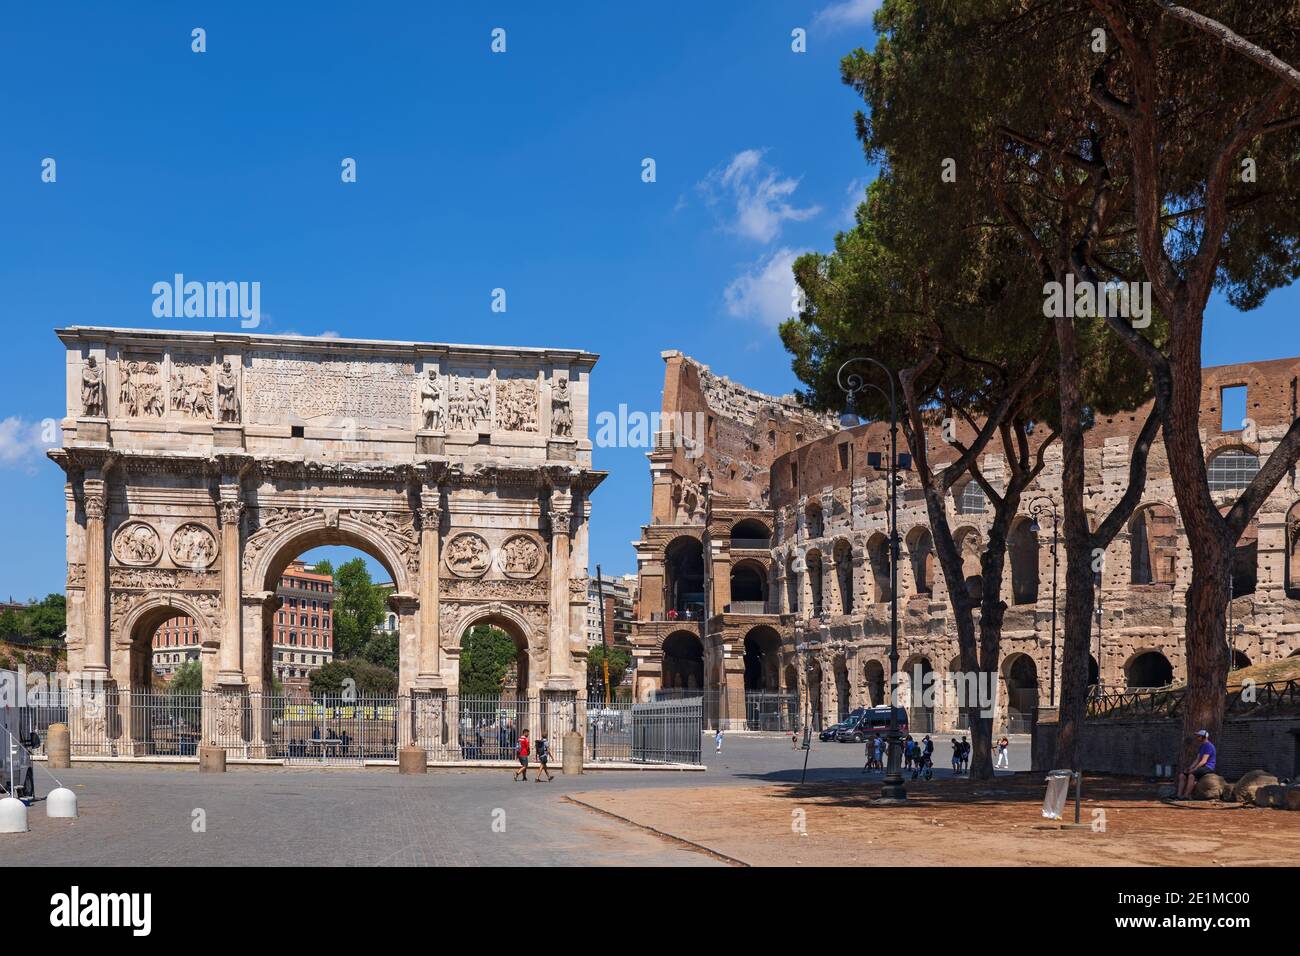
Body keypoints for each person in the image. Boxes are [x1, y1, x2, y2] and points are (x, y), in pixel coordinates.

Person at [1176, 730, 1217, 799]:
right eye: (1197, 736)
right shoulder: (1202, 746)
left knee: (1192, 775)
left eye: (1199, 736)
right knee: (1182, 775)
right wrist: (1190, 768)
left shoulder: (1209, 746)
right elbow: (1197, 759)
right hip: (1201, 766)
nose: (1197, 738)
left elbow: (1204, 761)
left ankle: (1186, 796)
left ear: (1204, 737)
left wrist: (1194, 769)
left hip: (1208, 767)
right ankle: (1178, 795)